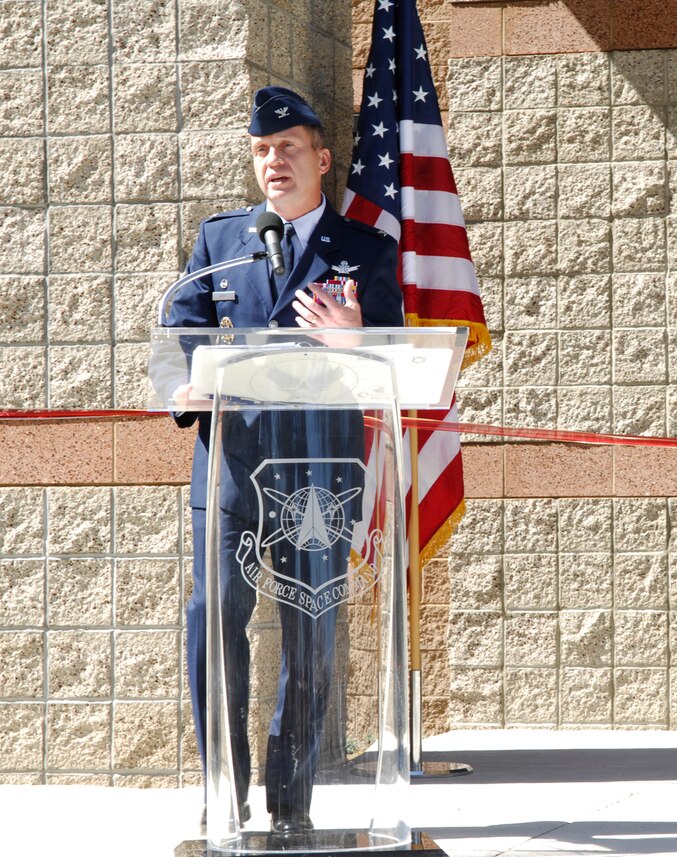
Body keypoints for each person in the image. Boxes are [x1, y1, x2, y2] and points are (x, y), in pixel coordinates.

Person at [165, 86, 406, 836]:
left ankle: (292, 799)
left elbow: (399, 364)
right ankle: (225, 788)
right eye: (262, 150)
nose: (273, 161)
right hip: (233, 469)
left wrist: (359, 341)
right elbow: (179, 334)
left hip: (320, 474)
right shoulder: (221, 242)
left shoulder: (366, 251)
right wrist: (183, 385)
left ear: (323, 160)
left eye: (289, 148)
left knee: (312, 635)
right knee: (213, 621)